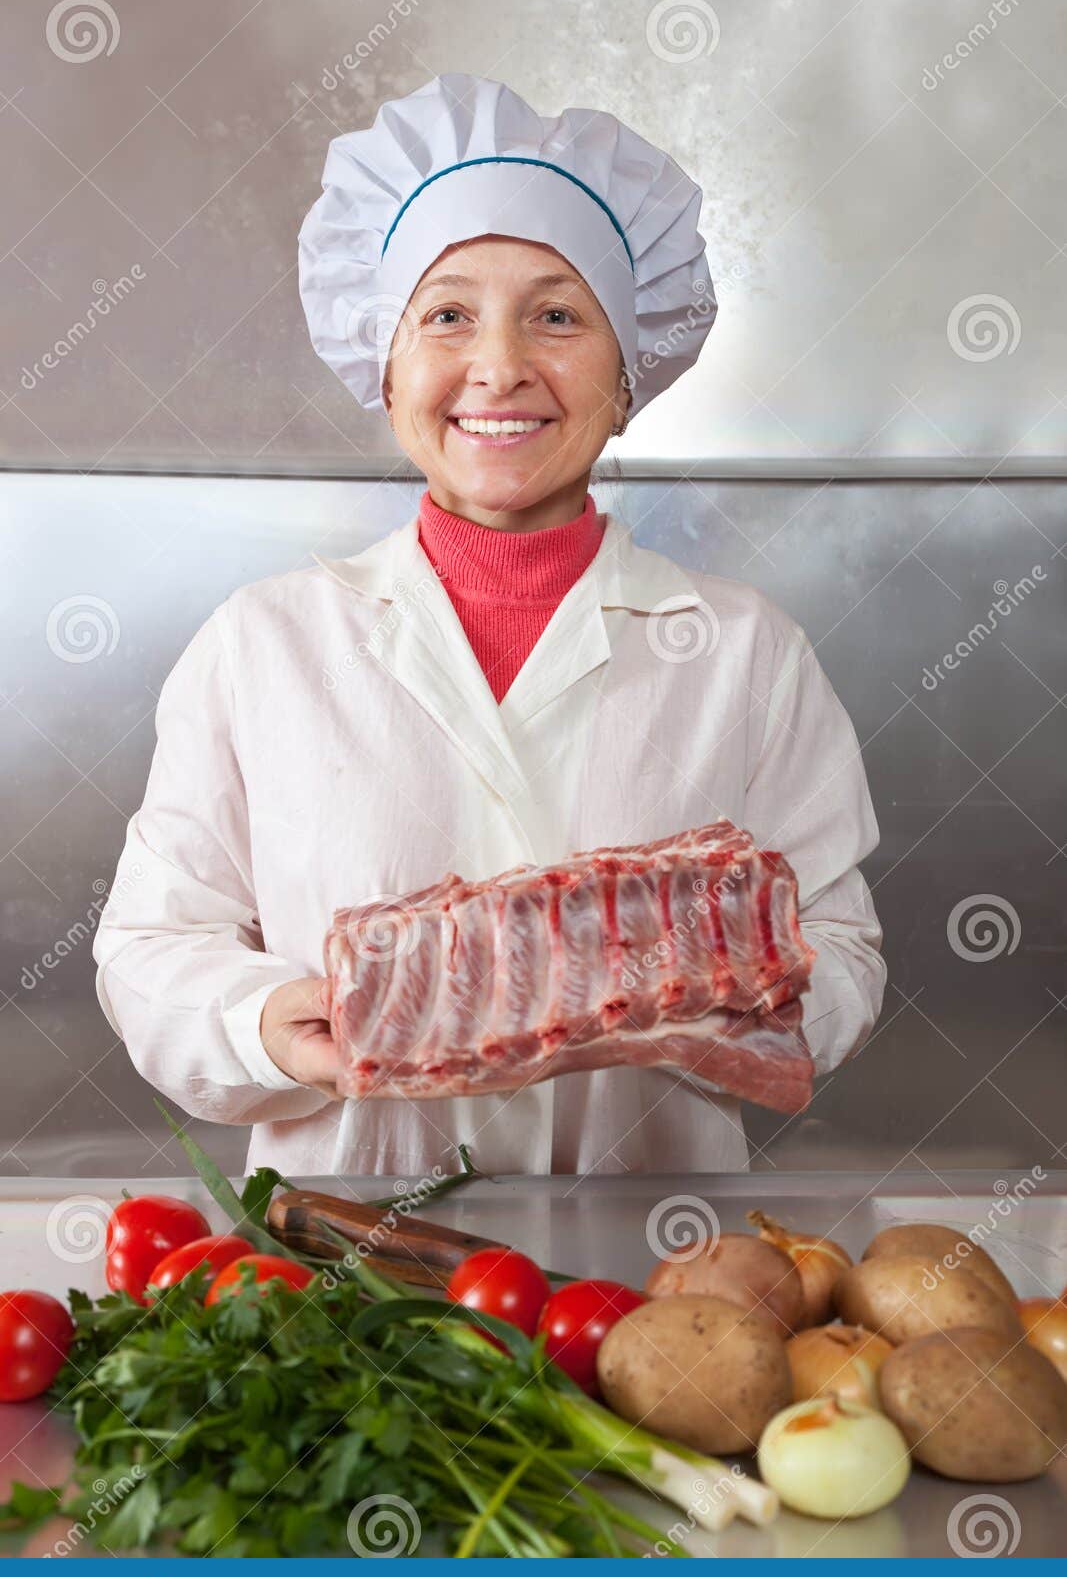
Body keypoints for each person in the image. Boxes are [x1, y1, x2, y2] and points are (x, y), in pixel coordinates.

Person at [92, 72, 886, 1178]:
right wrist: (267, 1021)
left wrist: (713, 996)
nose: (499, 366)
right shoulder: (261, 644)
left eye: (558, 315)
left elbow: (839, 952)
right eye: (447, 314)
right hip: (349, 1288)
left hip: (650, 1289)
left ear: (627, 374)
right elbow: (150, 947)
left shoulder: (744, 650)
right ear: (387, 362)